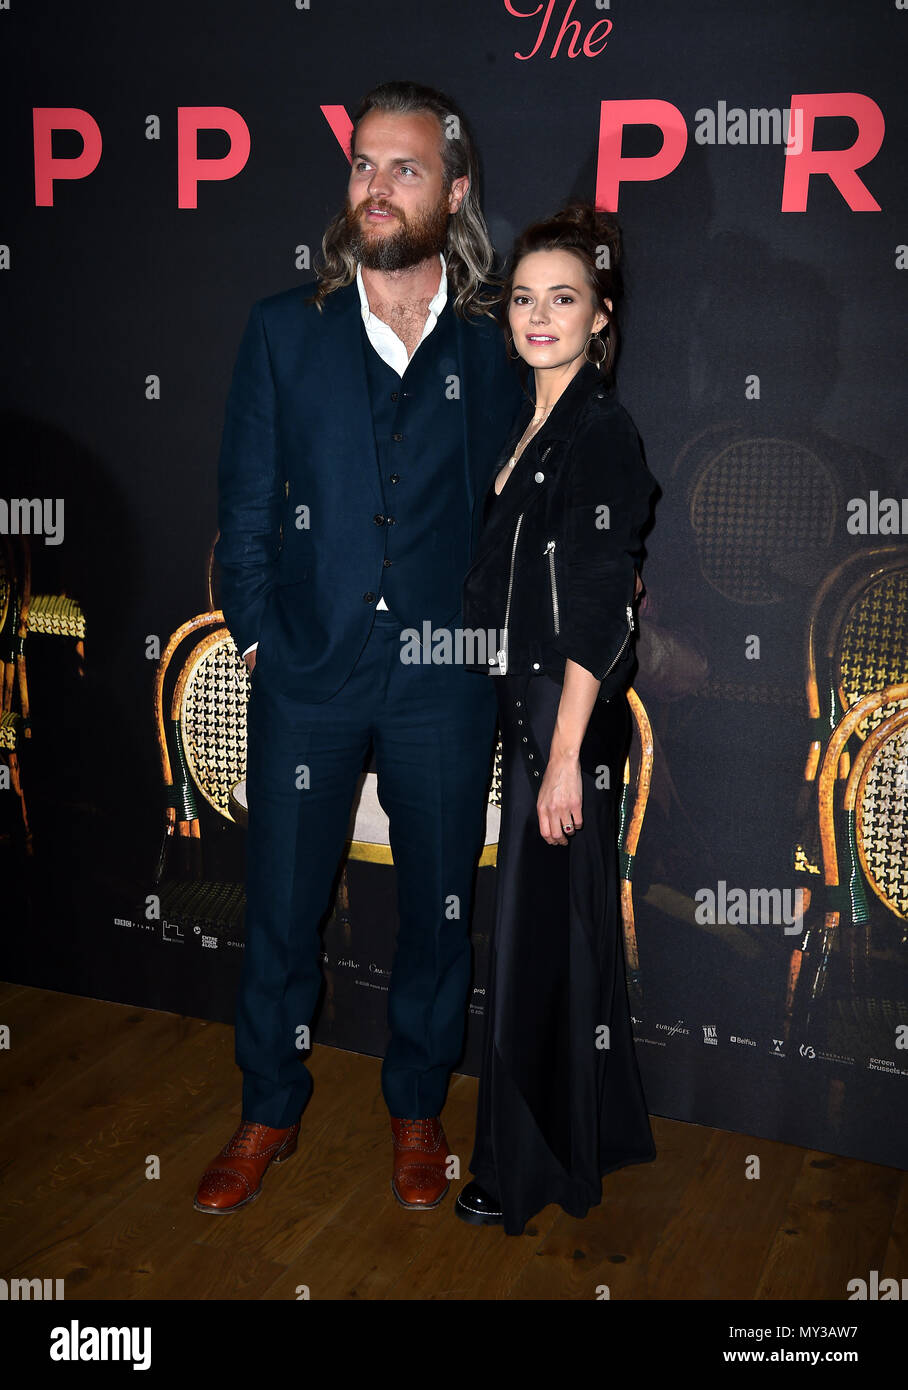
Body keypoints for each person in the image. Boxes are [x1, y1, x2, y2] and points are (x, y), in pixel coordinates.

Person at [194, 80, 523, 1215]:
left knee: (440, 910)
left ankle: (418, 1111)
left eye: (404, 168)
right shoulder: (285, 329)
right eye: (362, 167)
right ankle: (267, 1109)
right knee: (283, 906)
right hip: (309, 673)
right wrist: (255, 638)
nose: (375, 188)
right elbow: (243, 508)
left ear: (455, 190)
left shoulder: (493, 345)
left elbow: (522, 512)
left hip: (442, 682)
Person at [456, 203, 659, 1235]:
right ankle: (596, 1130)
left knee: (534, 942)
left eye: (562, 298)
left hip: (560, 715)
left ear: (599, 315)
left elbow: (595, 603)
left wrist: (564, 755)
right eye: (523, 299)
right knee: (560, 938)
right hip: (524, 705)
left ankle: (519, 1169)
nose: (537, 316)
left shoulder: (599, 430)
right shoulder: (530, 421)